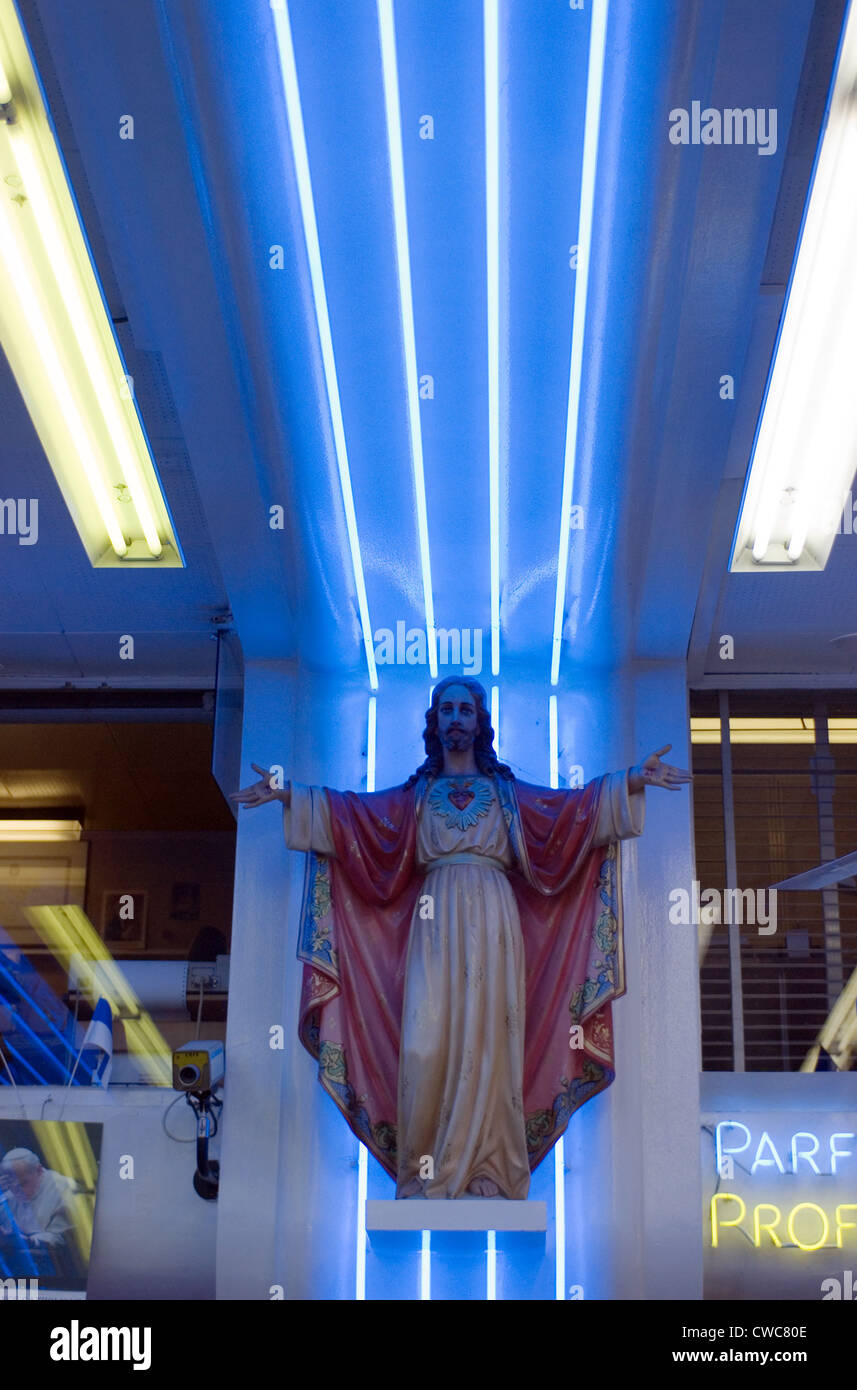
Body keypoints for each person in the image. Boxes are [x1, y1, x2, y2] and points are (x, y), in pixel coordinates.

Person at [233, 676, 691, 1199]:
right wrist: (287, 792)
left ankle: (491, 1169)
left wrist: (632, 779)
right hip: (433, 920)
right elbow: (355, 818)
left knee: (493, 1038)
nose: (455, 717)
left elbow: (569, 814)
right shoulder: (416, 796)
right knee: (424, 1041)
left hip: (496, 917)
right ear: (435, 722)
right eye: (446, 709)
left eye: (465, 710)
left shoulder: (507, 795)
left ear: (479, 722)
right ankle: (424, 1171)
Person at [0, 1148, 78, 1265]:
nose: (17, 1191)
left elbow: (62, 1241)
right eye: (11, 1185)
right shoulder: (9, 1190)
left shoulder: (65, 1190)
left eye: (23, 1184)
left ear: (39, 1170)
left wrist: (25, 1241)